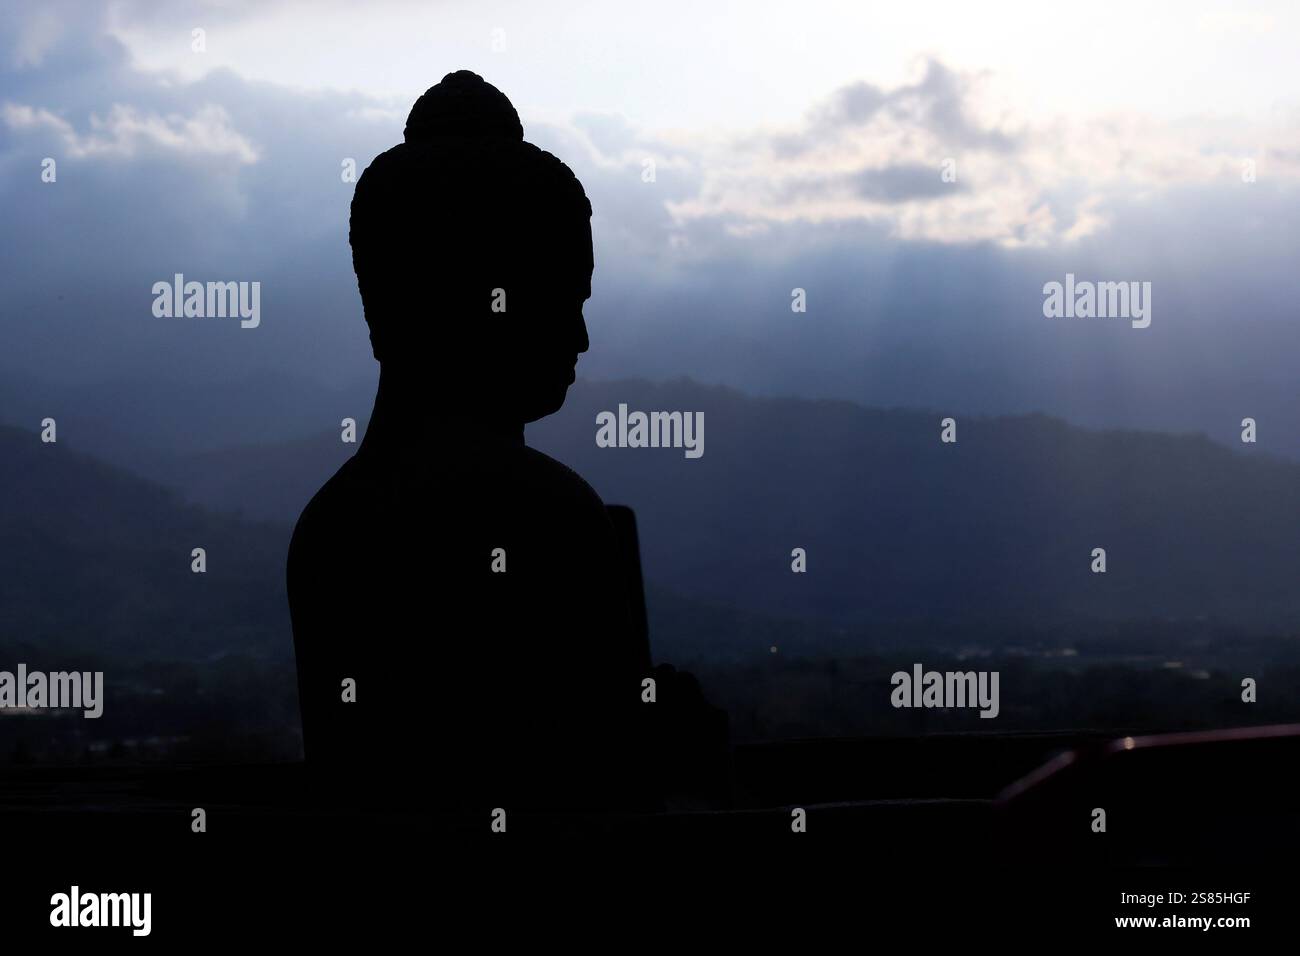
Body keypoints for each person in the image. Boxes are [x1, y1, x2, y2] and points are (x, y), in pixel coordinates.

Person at [287, 71, 647, 814]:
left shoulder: (334, 524)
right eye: (564, 302)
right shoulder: (548, 516)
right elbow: (585, 793)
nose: (579, 338)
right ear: (485, 303)